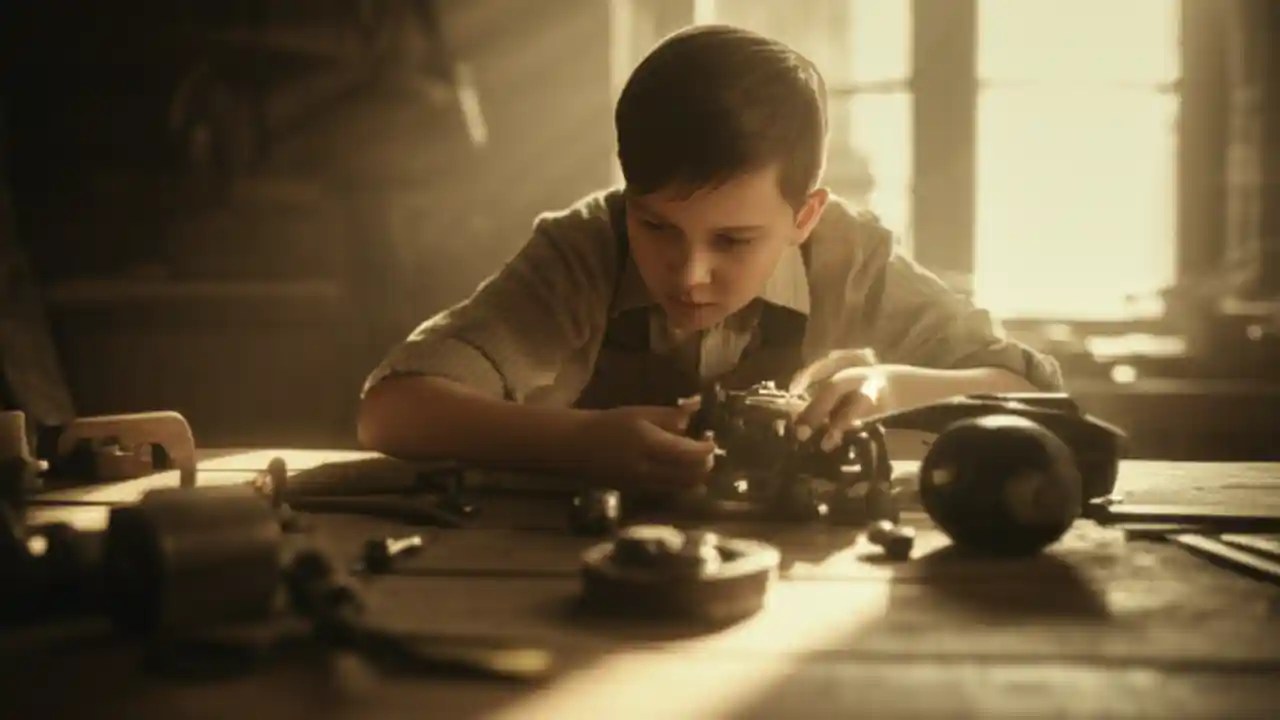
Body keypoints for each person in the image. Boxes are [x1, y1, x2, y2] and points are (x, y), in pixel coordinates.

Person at [356, 24, 1062, 491]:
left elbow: (1035, 393)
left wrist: (890, 388)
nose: (689, 275)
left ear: (805, 216)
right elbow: (392, 412)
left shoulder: (851, 254)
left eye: (733, 240)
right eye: (656, 227)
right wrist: (580, 440)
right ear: (627, 195)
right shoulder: (584, 249)